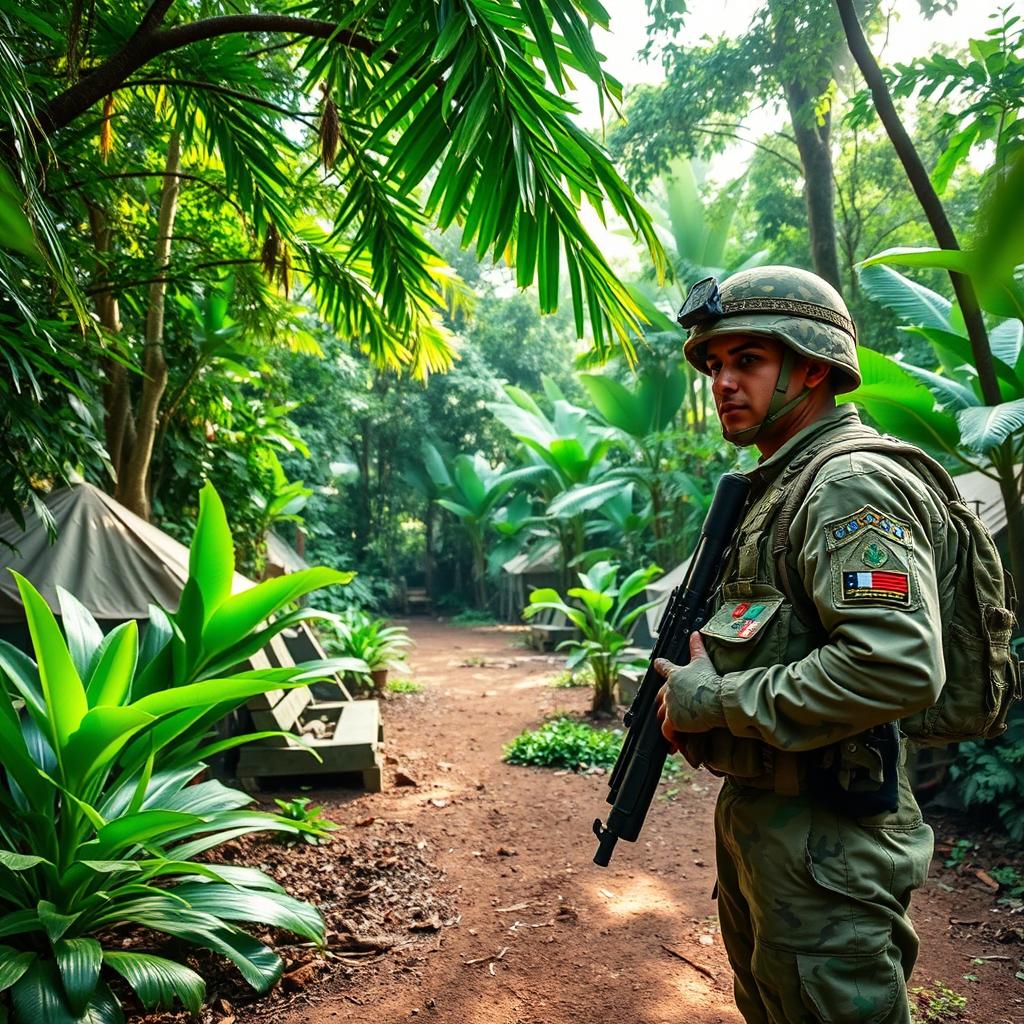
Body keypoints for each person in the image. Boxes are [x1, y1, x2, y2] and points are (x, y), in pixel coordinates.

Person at [653, 266, 947, 1024]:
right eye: (714, 365)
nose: (721, 382)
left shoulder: (848, 485)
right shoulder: (778, 488)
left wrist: (714, 698)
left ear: (812, 366)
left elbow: (896, 666)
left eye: (746, 360)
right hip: (770, 824)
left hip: (828, 837)